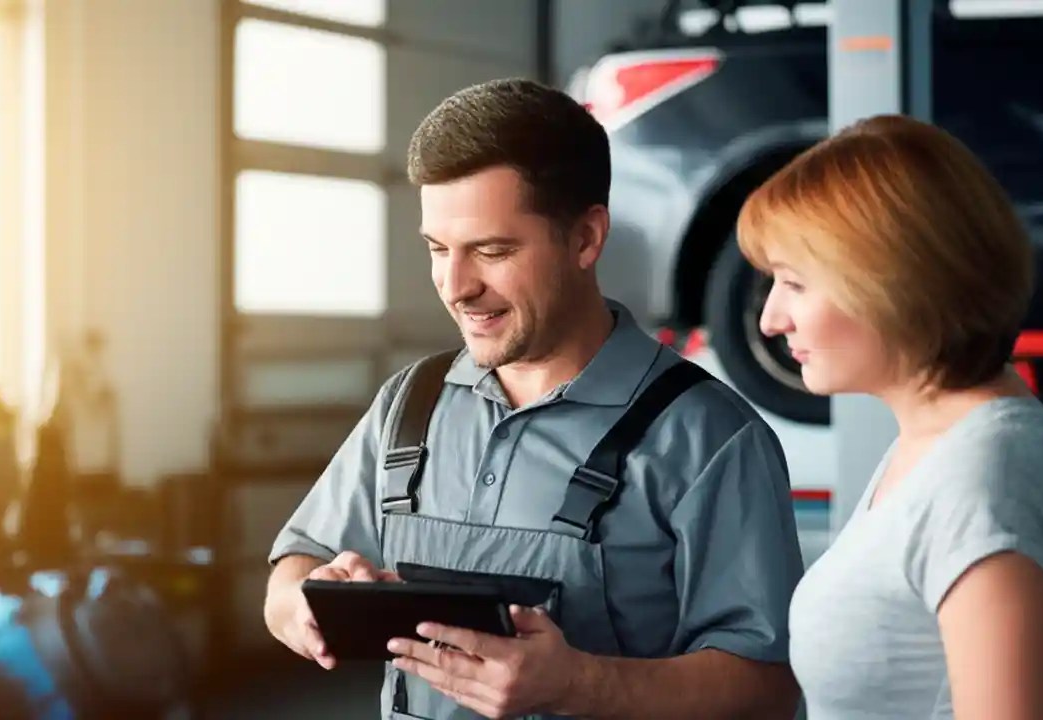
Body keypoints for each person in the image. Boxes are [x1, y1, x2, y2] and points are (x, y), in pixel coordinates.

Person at [264, 78, 804, 720]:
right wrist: (305, 604)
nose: (456, 286)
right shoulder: (411, 404)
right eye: (438, 249)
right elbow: (293, 569)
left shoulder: (707, 439)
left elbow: (769, 689)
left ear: (585, 238)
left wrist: (578, 684)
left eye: (491, 251)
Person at [738, 114, 1043, 719]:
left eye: (794, 284)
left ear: (889, 281)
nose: (771, 320)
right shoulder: (940, 440)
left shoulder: (981, 484)